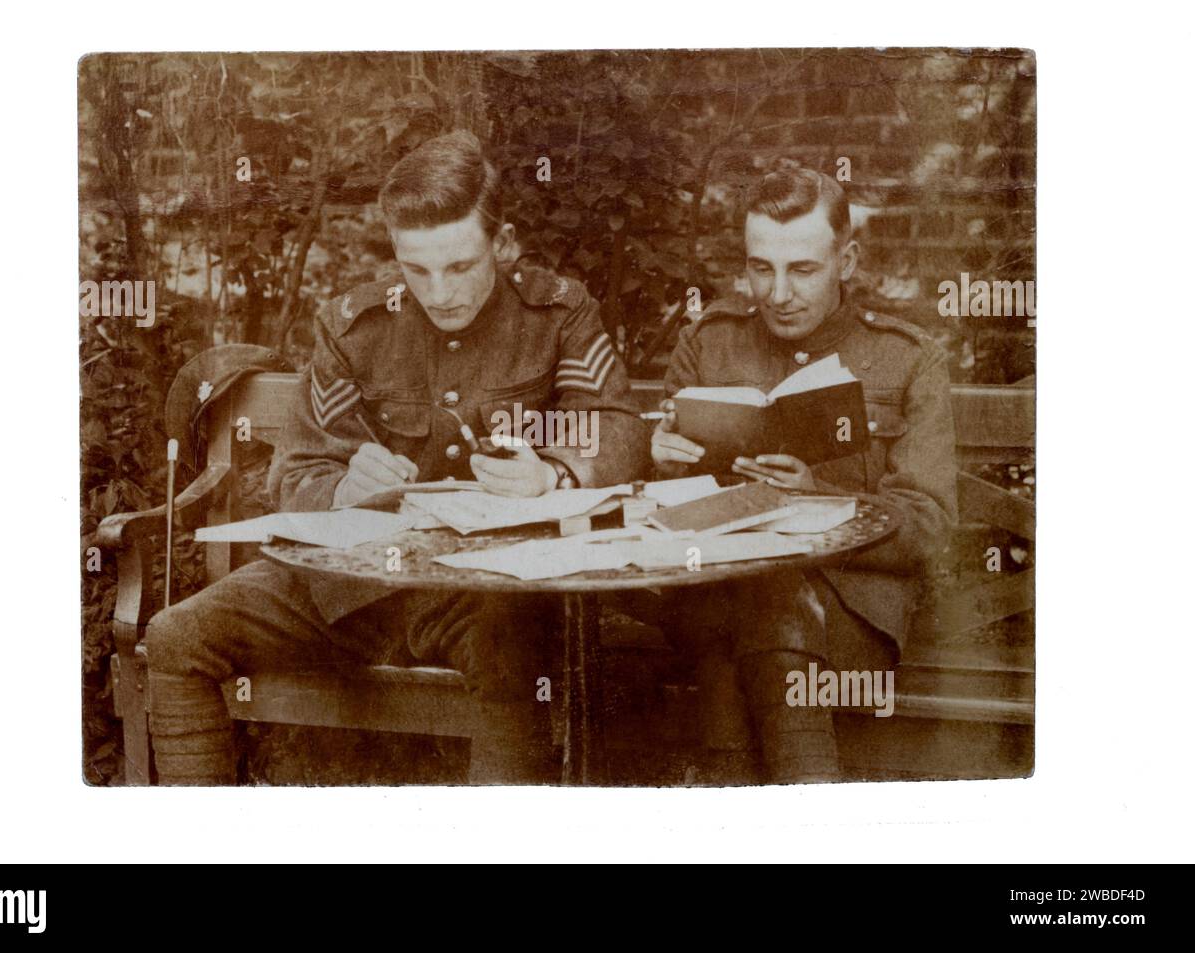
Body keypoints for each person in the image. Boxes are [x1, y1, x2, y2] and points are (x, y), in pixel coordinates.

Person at [146, 130, 645, 785]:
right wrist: (344, 488)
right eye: (417, 269)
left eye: (461, 266)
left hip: (487, 593)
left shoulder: (556, 313)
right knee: (176, 636)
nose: (439, 292)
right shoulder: (357, 324)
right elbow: (297, 472)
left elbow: (618, 428)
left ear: (504, 242)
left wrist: (549, 472)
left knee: (510, 645)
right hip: (353, 589)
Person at [650, 161, 958, 783]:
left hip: (851, 609)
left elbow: (929, 527)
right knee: (745, 604)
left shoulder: (905, 357)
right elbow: (652, 507)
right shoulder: (712, 340)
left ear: (846, 261)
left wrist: (820, 500)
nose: (778, 293)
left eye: (803, 269)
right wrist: (657, 459)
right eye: (761, 268)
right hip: (709, 593)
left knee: (761, 606)